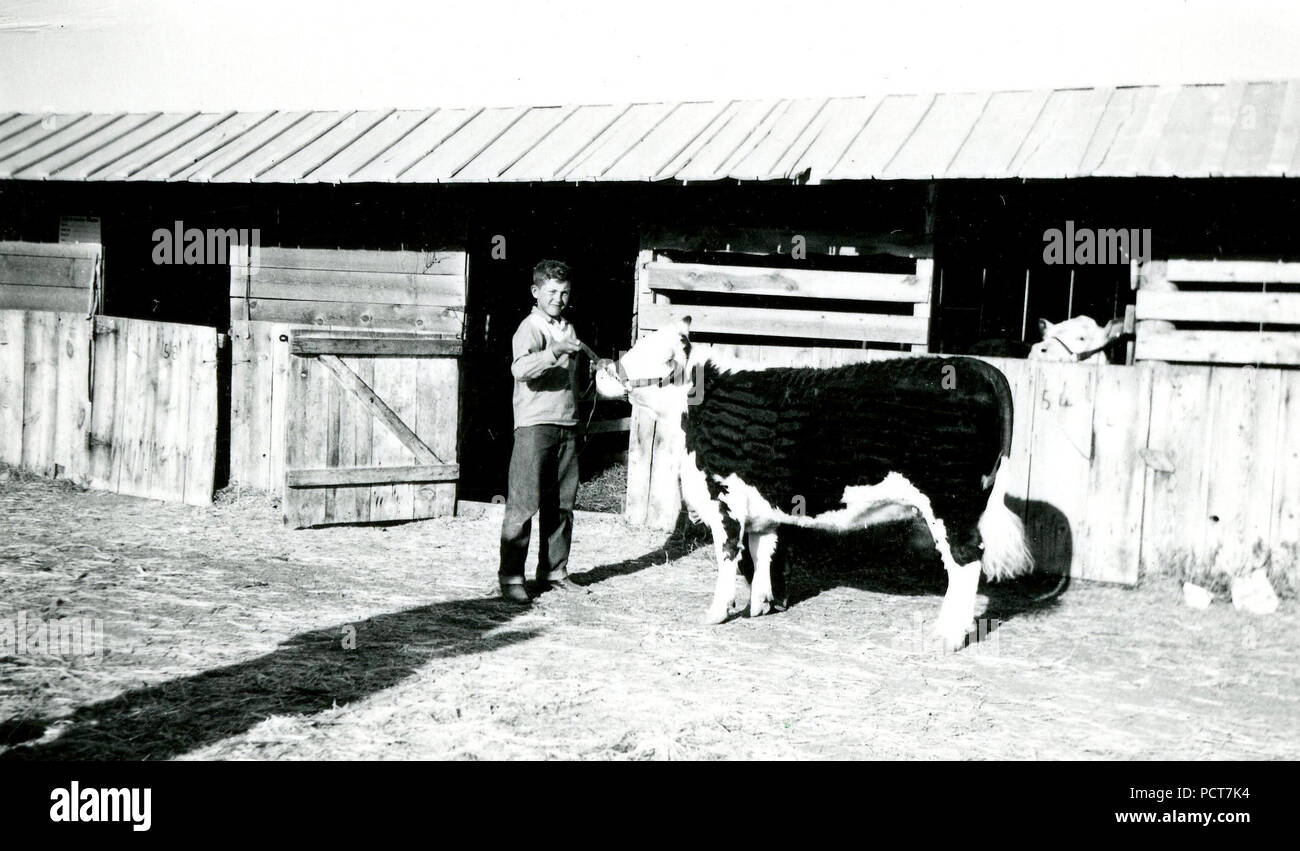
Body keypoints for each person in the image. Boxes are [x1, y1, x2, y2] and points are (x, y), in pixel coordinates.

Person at [498, 259, 610, 603]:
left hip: (568, 426)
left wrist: (597, 367)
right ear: (536, 292)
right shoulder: (530, 328)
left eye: (564, 293)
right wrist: (554, 352)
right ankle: (511, 577)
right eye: (551, 292)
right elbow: (520, 369)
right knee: (523, 504)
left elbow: (575, 378)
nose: (558, 299)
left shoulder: (569, 329)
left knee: (561, 505)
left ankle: (554, 571)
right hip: (535, 426)